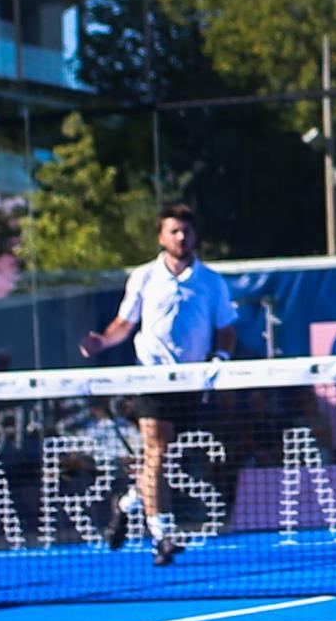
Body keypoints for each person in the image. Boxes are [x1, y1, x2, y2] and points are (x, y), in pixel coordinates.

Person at [80, 204, 238, 566]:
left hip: (191, 382)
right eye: (174, 231)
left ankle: (125, 505)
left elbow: (226, 330)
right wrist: (101, 342)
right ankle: (162, 536)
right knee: (157, 452)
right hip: (151, 377)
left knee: (164, 459)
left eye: (186, 231)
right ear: (161, 236)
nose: (181, 238)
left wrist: (220, 362)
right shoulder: (144, 277)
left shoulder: (212, 281)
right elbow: (124, 323)